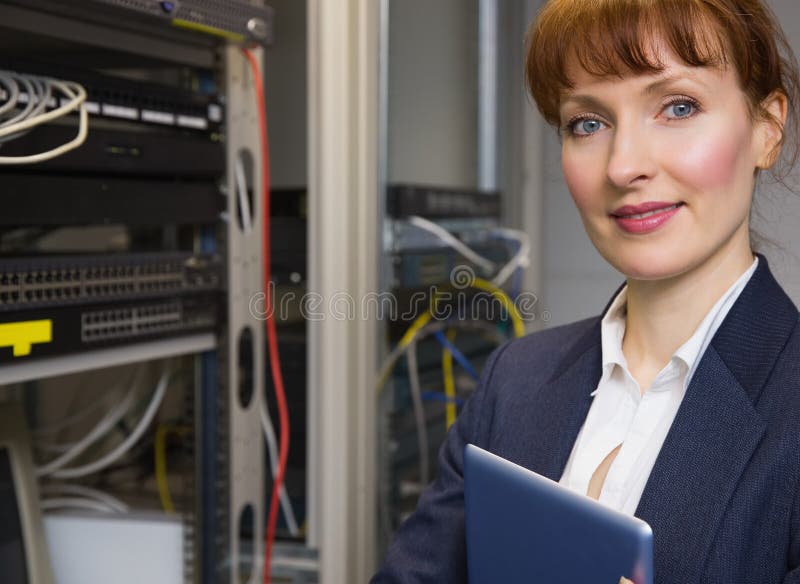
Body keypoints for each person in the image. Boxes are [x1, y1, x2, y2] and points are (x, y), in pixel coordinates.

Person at [371, 0, 800, 582]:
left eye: (678, 106)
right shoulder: (514, 381)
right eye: (588, 123)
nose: (623, 166)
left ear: (766, 129)